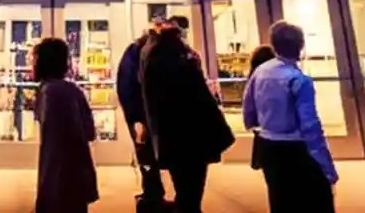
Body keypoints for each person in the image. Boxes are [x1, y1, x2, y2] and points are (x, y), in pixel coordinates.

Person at [243, 21, 337, 213]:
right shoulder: (299, 80)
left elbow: (248, 106)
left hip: (268, 146)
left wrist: (255, 125)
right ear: (301, 46)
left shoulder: (261, 71)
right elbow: (310, 126)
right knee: (316, 202)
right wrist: (327, 167)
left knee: (280, 201)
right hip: (296, 148)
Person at [141, 24, 234, 212]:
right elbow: (203, 101)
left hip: (170, 136)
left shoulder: (152, 65)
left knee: (183, 189)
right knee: (193, 191)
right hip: (195, 137)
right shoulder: (186, 64)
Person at [33, 37, 99, 213]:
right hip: (75, 170)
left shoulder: (48, 92)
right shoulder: (72, 90)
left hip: (58, 172)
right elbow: (89, 130)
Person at [117, 18, 167, 206]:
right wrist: (136, 117)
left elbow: (126, 84)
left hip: (147, 114)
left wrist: (134, 117)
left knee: (146, 156)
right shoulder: (140, 52)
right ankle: (154, 193)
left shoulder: (136, 51)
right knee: (148, 155)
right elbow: (128, 84)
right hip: (148, 113)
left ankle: (153, 192)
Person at [246, 45, 275, 173]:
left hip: (262, 124)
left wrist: (249, 121)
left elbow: (249, 103)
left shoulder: (253, 79)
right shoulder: (279, 77)